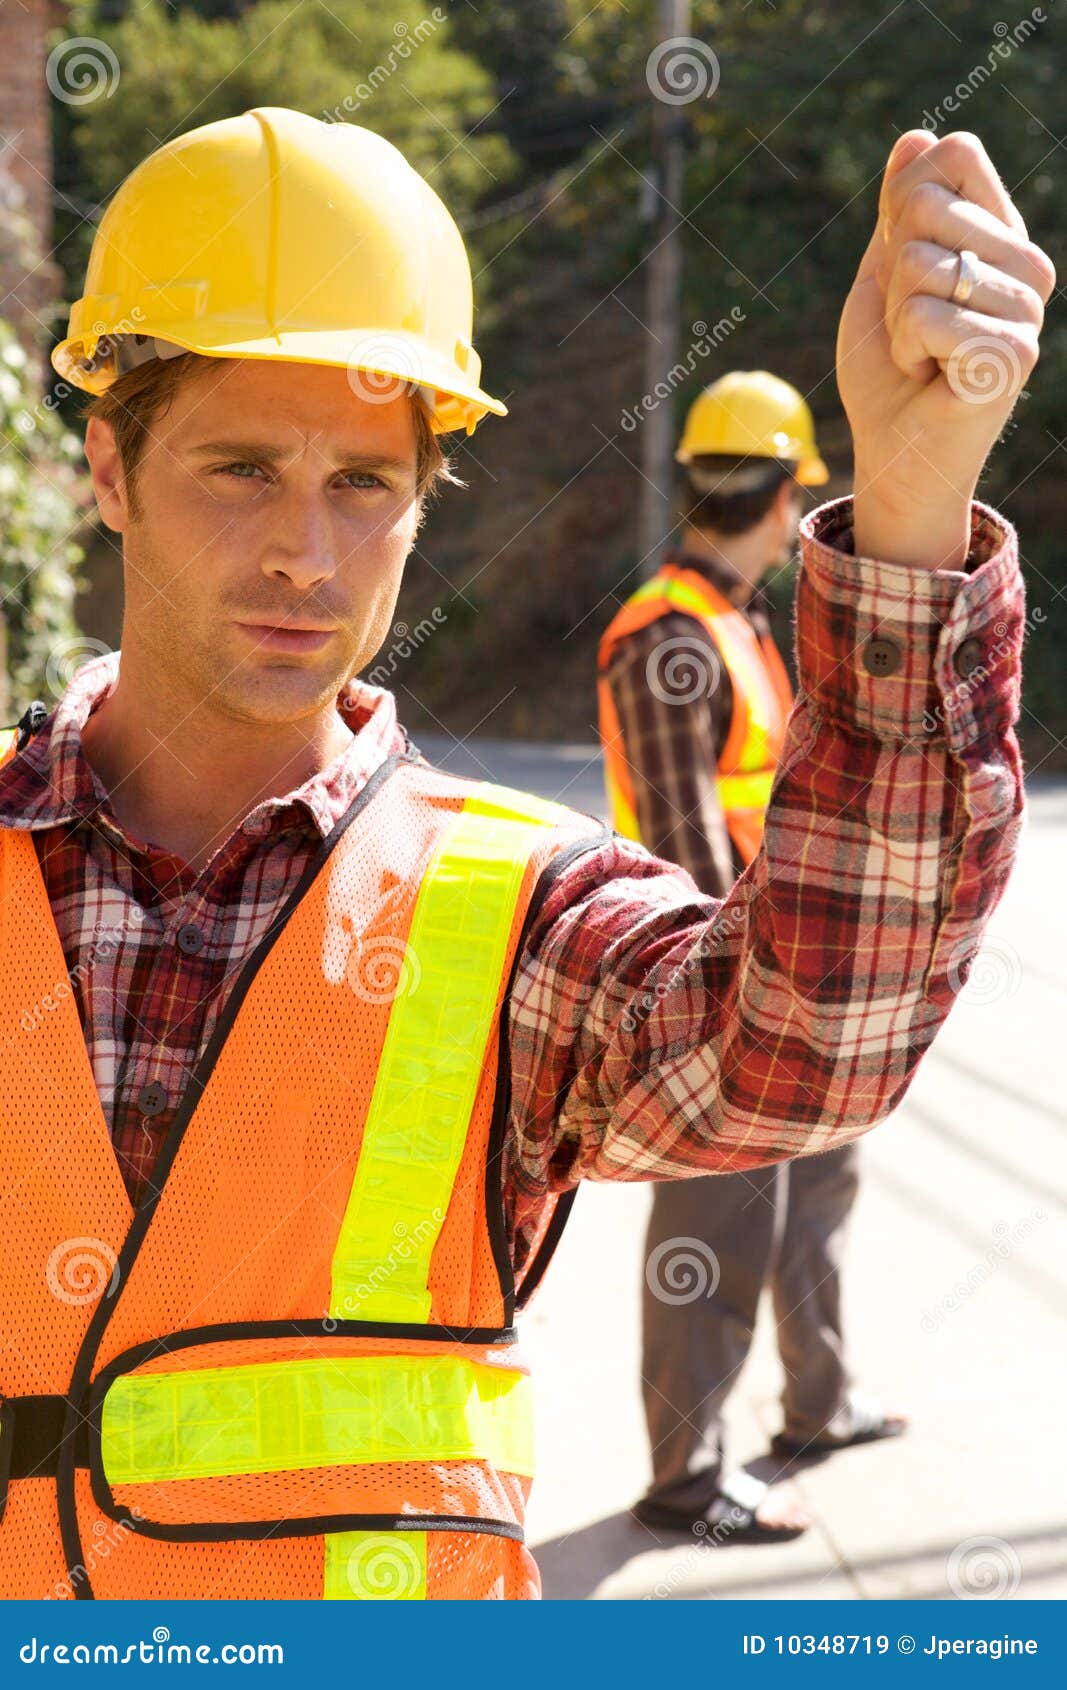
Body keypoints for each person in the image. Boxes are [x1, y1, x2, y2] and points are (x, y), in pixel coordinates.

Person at [0, 107, 1050, 1601]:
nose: (306, 548)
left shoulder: (512, 914)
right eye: (239, 468)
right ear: (109, 468)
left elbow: (818, 1038)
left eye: (363, 483)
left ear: (424, 506)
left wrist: (911, 493)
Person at [598, 372, 907, 1544]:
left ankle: (818, 1403)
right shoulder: (665, 637)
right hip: (723, 988)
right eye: (796, 502)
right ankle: (685, 1480)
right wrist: (740, 998)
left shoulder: (735, 623)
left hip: (799, 972)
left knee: (818, 1184)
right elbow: (682, 846)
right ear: (780, 498)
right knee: (713, 1228)